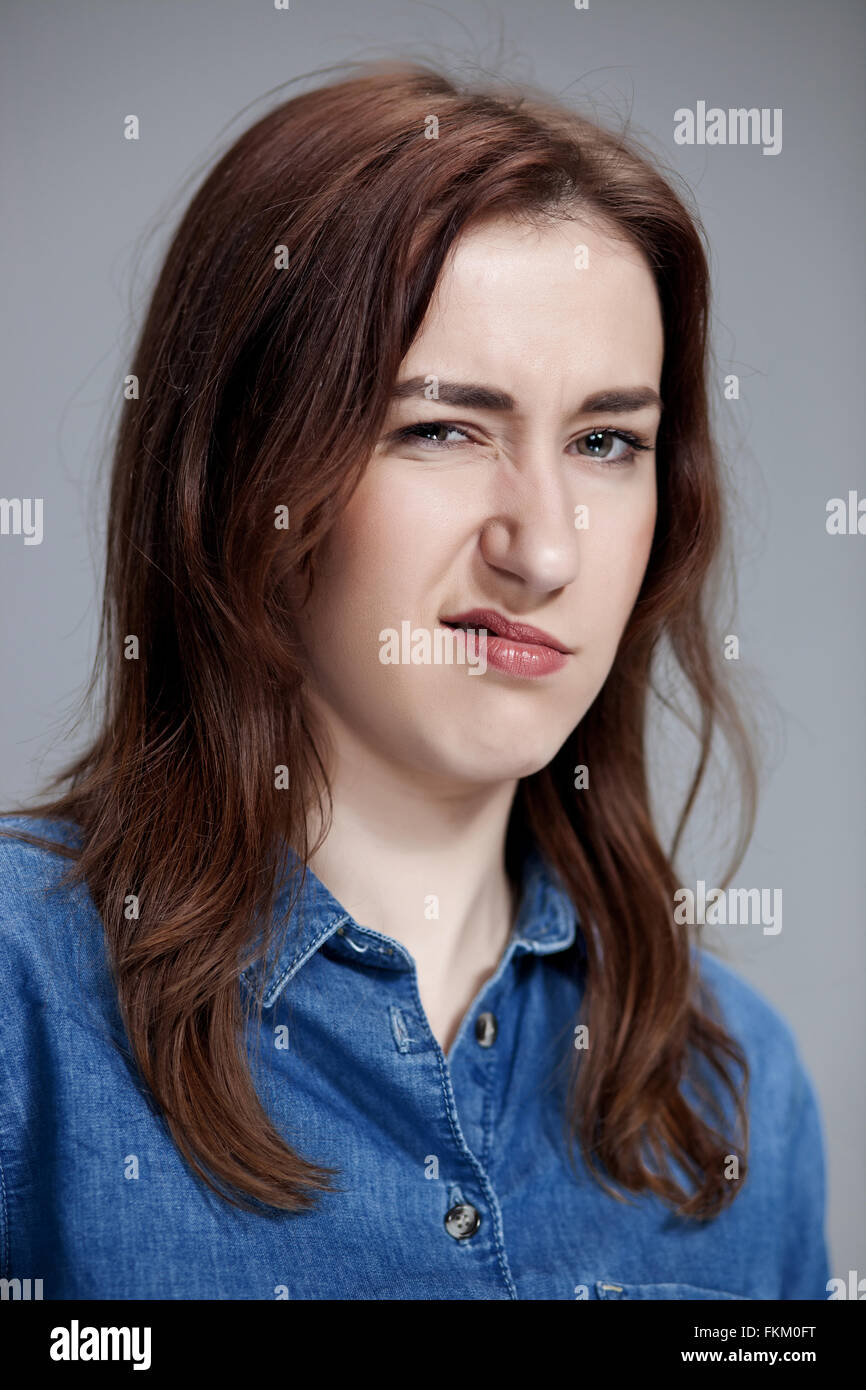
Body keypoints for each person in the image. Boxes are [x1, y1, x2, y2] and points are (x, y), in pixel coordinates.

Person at [0, 61, 829, 1300]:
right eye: (442, 428)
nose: (543, 549)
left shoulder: (733, 1093)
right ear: (248, 470)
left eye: (606, 442)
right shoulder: (23, 997)